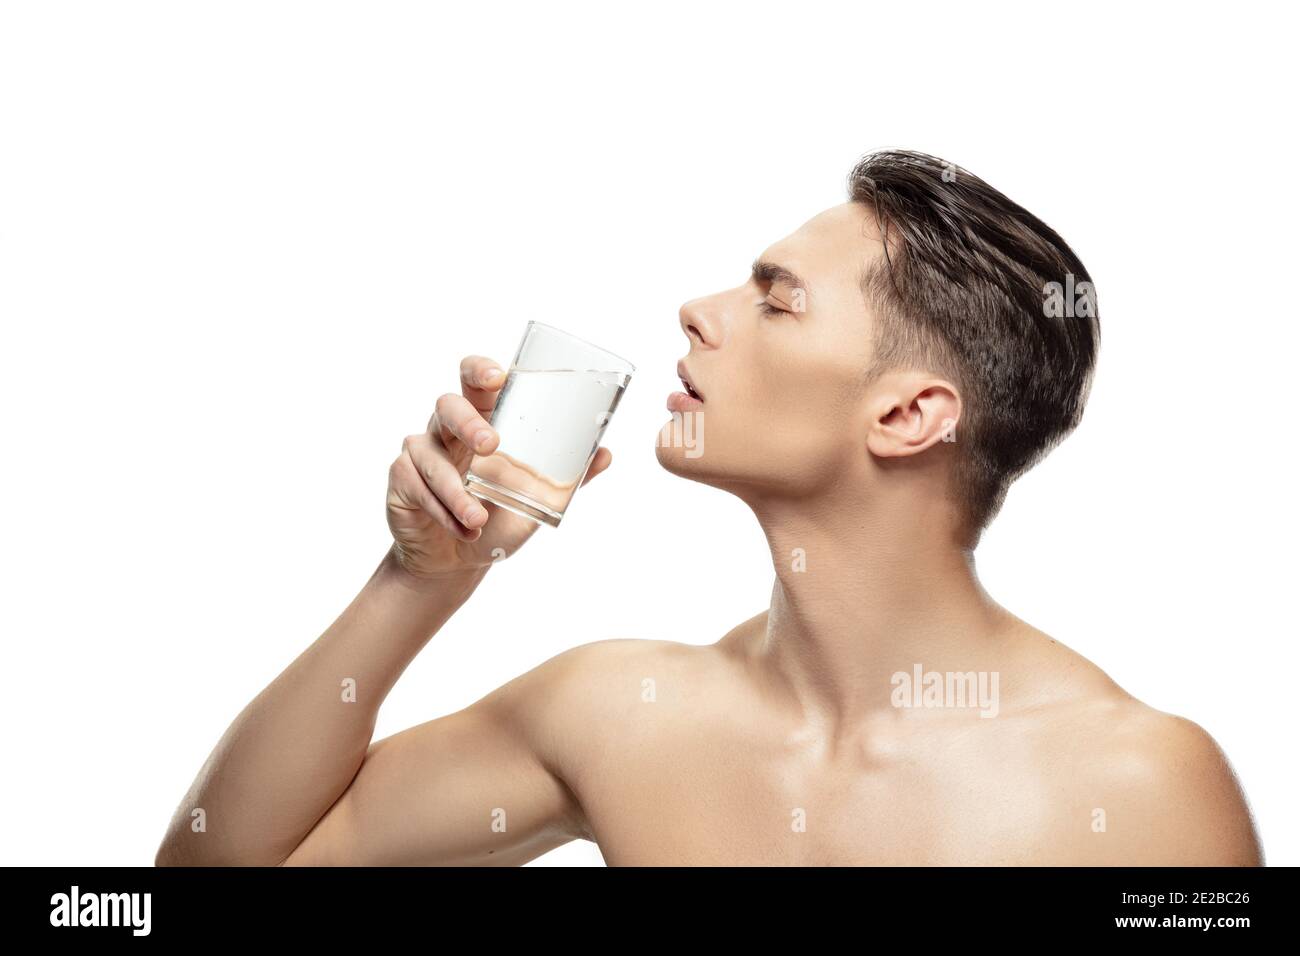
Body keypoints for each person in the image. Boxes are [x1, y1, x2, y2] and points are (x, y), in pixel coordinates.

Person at [155, 150, 1263, 866]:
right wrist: (422, 577)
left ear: (907, 414)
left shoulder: (1136, 786)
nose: (698, 310)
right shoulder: (620, 712)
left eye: (776, 301)